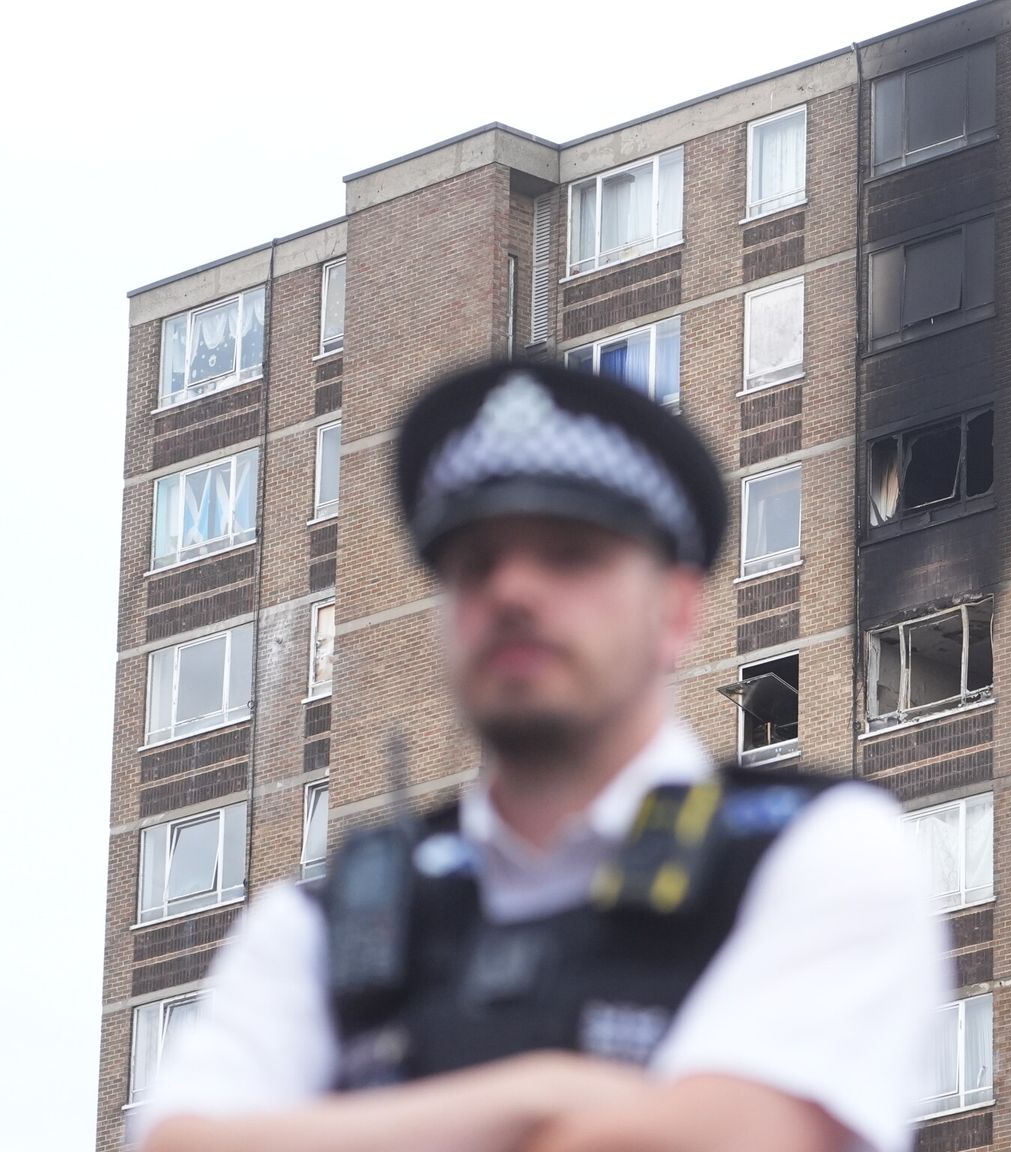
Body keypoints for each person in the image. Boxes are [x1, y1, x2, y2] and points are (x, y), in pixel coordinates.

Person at [135, 360, 950, 1152]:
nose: (513, 592)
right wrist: (549, 1098)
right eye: (475, 564)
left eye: (570, 555)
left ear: (676, 609)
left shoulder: (817, 848)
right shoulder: (319, 924)